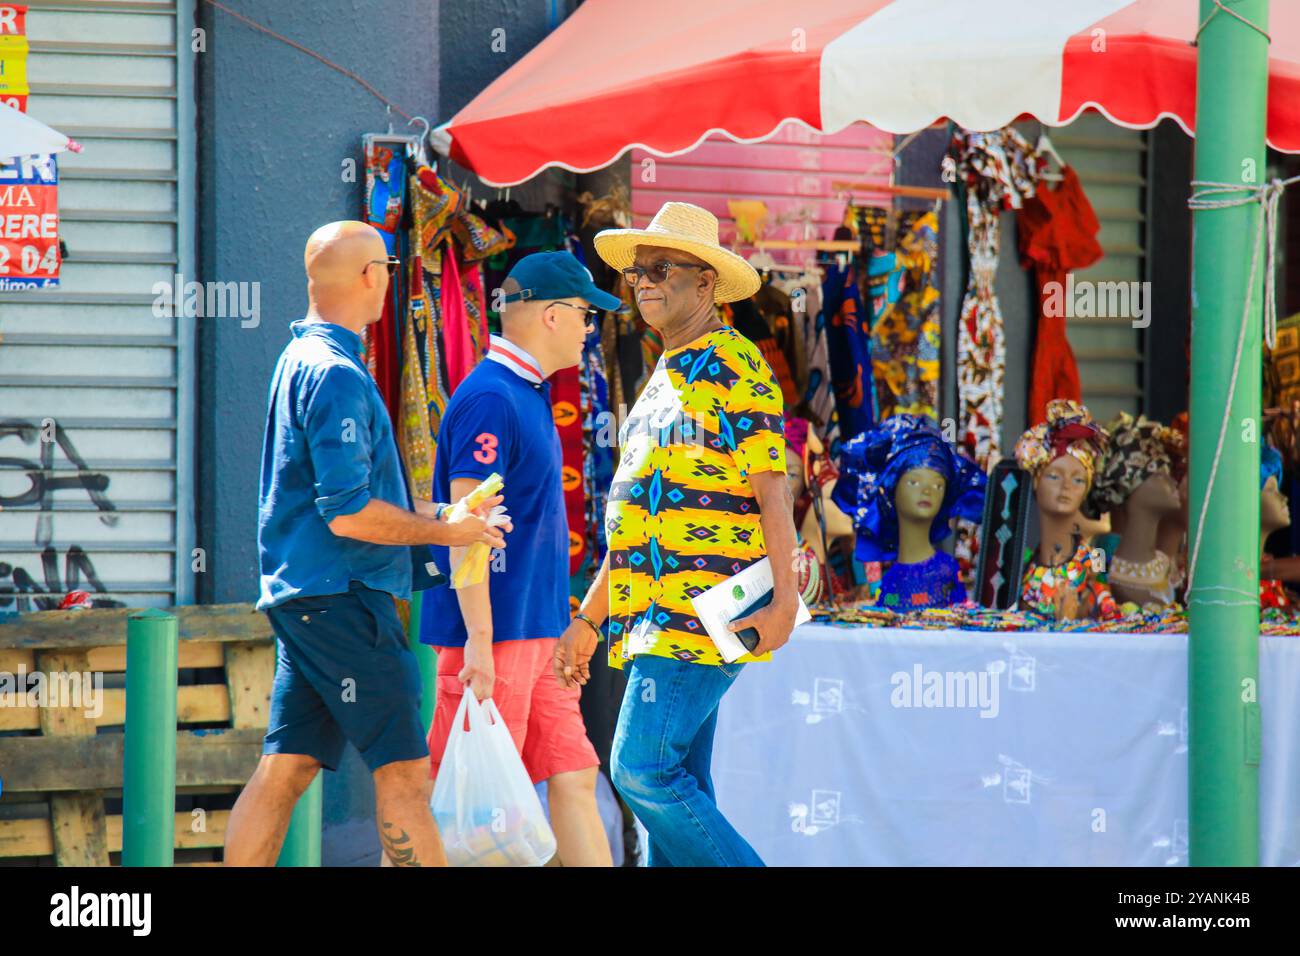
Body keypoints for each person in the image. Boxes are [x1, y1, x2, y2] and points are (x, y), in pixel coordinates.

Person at [225, 221, 508, 867]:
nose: (389, 278)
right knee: (407, 777)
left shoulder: (304, 360)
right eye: (387, 266)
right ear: (370, 276)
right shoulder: (337, 374)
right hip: (345, 601)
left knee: (286, 771)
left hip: (311, 600)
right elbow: (349, 514)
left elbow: (360, 493)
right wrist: (449, 533)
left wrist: (449, 511)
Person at [556, 202, 802, 866]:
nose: (643, 281)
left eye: (662, 268)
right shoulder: (663, 375)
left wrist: (784, 600)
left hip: (699, 620)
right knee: (682, 795)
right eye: (638, 271)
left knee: (642, 772)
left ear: (708, 284)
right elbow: (637, 523)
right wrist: (589, 617)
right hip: (649, 619)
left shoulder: (734, 362)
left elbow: (772, 491)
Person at [420, 251, 620, 867]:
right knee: (470, 809)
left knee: (573, 776)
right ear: (554, 315)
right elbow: (467, 523)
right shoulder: (492, 397)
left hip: (533, 631)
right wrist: (479, 637)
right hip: (495, 636)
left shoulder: (522, 390)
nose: (592, 329)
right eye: (587, 314)